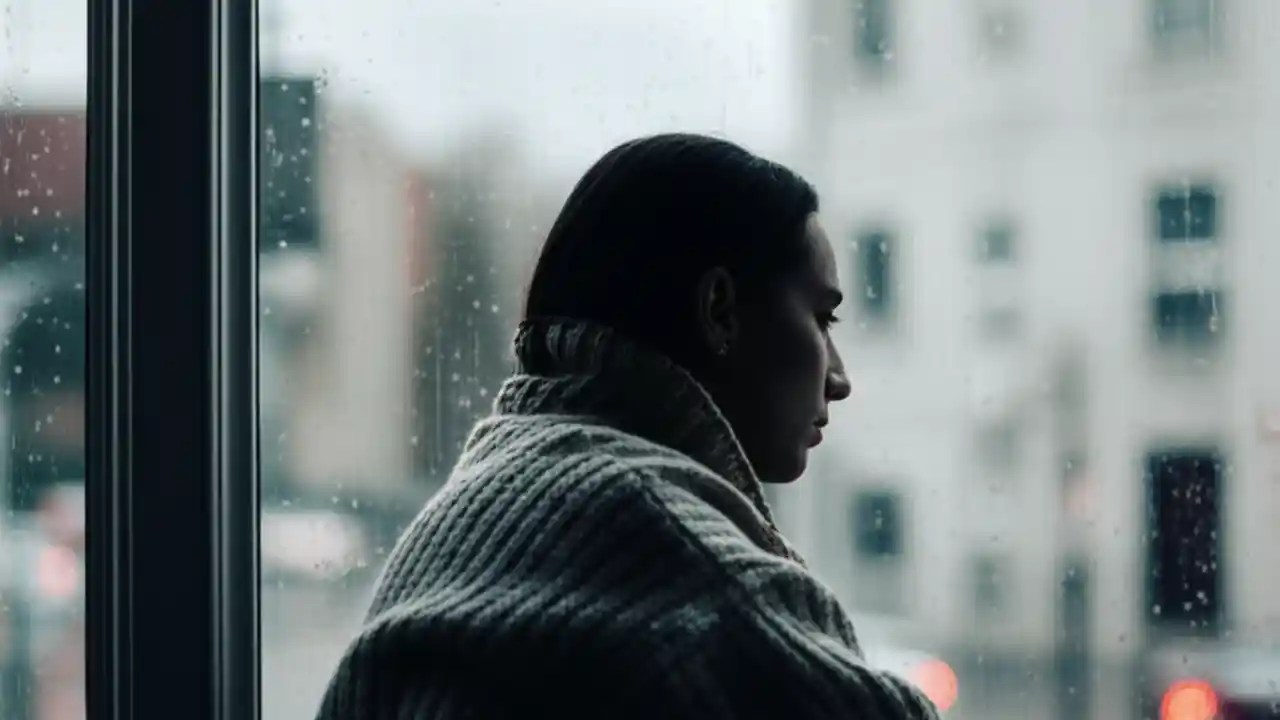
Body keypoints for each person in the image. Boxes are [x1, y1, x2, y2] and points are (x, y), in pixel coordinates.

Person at [316, 134, 940, 719]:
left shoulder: (480, 500)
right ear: (720, 311)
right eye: (822, 318)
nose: (839, 377)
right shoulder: (668, 542)